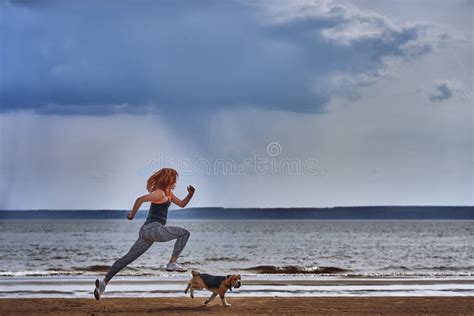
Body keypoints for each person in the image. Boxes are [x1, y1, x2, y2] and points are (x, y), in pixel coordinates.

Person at [94, 168, 195, 300]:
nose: (175, 181)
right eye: (174, 178)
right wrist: (131, 216)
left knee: (128, 258)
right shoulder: (159, 193)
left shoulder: (168, 193)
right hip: (152, 229)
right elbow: (139, 200)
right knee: (184, 233)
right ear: (168, 179)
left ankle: (103, 284)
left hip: (147, 232)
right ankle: (172, 263)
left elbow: (182, 204)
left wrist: (190, 194)